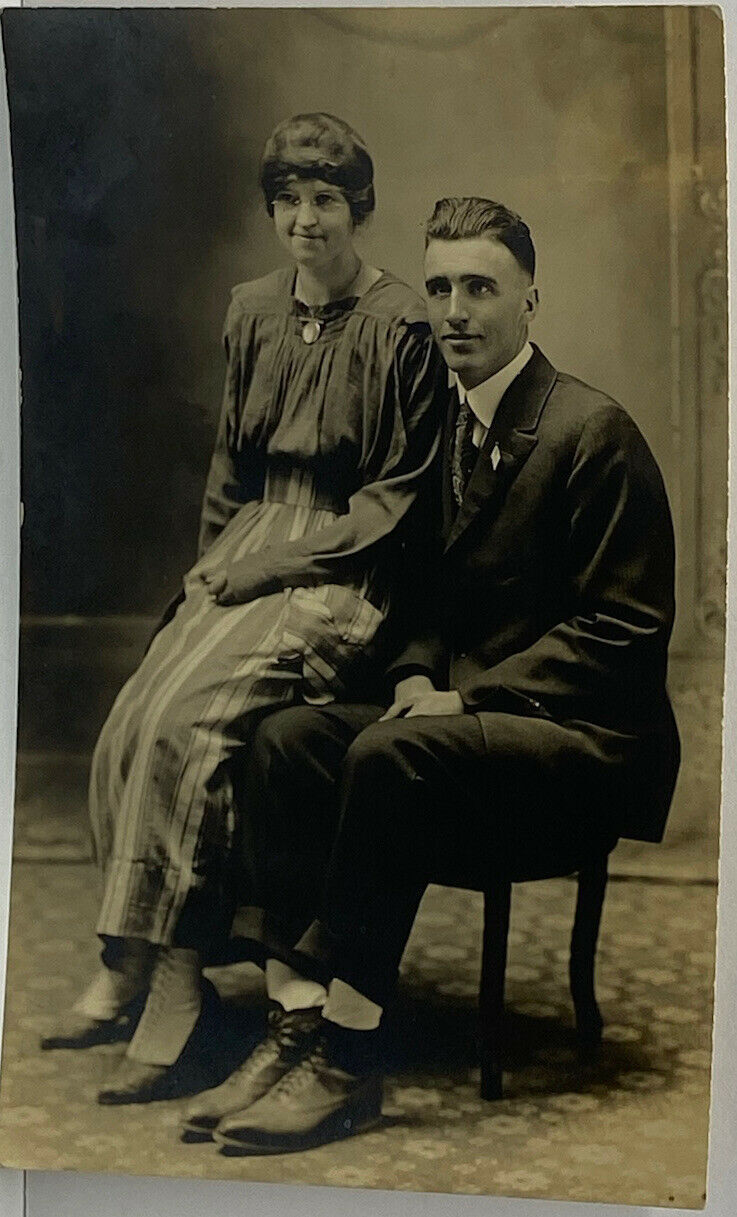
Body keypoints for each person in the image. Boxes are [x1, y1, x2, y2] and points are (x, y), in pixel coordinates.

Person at [182, 196, 680, 1156]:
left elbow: (626, 626)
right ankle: (294, 1017)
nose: (453, 309)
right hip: (459, 728)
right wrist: (415, 672)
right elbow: (416, 601)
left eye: (480, 287)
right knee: (287, 737)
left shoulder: (590, 431)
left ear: (531, 299)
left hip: (580, 742)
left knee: (394, 754)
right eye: (441, 285)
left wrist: (470, 694)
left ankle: (349, 1058)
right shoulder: (437, 430)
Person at [41, 113, 441, 1105]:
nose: (307, 220)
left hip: (342, 565)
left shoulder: (399, 327)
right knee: (131, 717)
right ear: (271, 210)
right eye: (290, 202)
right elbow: (231, 464)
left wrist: (274, 570)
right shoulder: (251, 307)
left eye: (327, 202)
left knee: (187, 726)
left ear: (358, 210)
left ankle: (178, 976)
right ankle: (127, 950)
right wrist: (203, 576)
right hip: (244, 548)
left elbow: (396, 499)